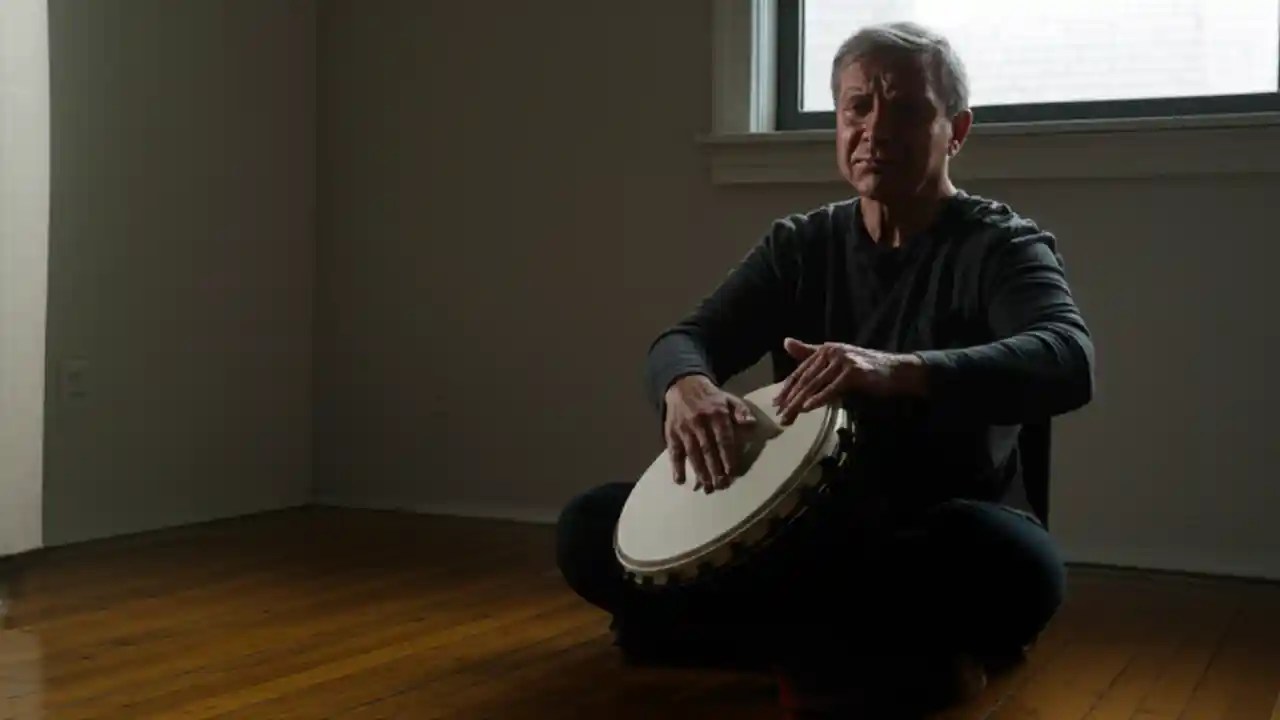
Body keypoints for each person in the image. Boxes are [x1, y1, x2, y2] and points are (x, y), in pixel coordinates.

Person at [556, 20, 1095, 716]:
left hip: (925, 532)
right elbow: (686, 339)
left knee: (1012, 565)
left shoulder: (1002, 246)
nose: (875, 129)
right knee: (595, 528)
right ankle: (868, 652)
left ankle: (760, 637)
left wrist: (897, 369)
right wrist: (683, 386)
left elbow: (1067, 358)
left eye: (906, 109)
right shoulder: (801, 245)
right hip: (799, 529)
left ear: (955, 130)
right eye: (857, 107)